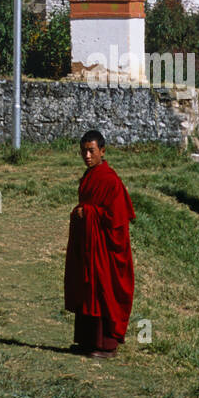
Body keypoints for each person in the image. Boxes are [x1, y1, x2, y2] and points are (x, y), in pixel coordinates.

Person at [64, 129, 135, 357]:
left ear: (102, 151)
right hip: (90, 246)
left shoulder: (110, 180)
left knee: (104, 290)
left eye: (91, 151)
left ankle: (106, 345)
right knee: (87, 290)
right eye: (83, 151)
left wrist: (90, 213)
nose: (87, 156)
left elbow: (116, 220)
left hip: (106, 249)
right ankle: (86, 341)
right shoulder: (89, 177)